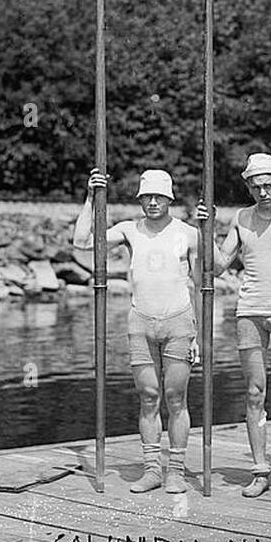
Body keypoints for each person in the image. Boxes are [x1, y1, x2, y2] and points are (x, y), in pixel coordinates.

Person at [197, 152, 271, 499]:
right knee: (254, 393)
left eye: (268, 184)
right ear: (248, 186)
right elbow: (218, 266)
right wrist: (206, 229)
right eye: (256, 185)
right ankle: (260, 470)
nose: (263, 191)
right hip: (250, 312)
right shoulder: (241, 218)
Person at [74, 168, 200, 495]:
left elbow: (202, 285)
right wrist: (90, 197)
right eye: (147, 197)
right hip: (140, 322)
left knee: (175, 398)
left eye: (159, 196)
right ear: (140, 199)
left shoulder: (188, 233)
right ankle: (151, 469)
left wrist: (199, 334)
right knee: (148, 397)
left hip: (178, 321)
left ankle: (175, 471)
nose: (153, 202)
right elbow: (82, 242)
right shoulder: (129, 229)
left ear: (170, 198)